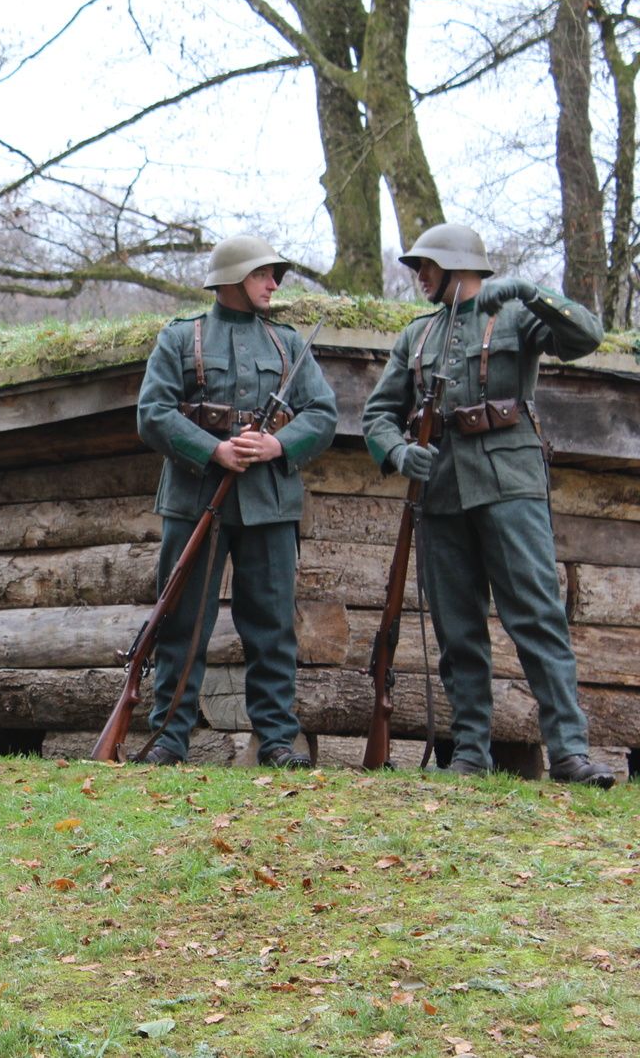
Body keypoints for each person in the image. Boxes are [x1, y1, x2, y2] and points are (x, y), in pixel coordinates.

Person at [361, 223, 614, 786]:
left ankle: (569, 751)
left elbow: (587, 335)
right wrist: (399, 453)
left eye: (427, 264)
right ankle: (470, 751)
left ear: (458, 264)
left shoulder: (519, 316)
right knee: (456, 628)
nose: (419, 275)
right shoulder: (417, 336)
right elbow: (376, 415)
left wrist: (531, 292)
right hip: (441, 491)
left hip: (510, 484)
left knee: (537, 617)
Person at [135, 236, 338, 768]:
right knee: (183, 621)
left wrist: (277, 445)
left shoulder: (287, 344)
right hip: (196, 497)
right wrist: (213, 450)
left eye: (274, 276)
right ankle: (169, 739)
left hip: (270, 501)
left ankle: (277, 741)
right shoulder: (181, 338)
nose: (273, 285)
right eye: (263, 275)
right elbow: (152, 413)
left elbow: (322, 413)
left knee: (272, 626)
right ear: (232, 278)